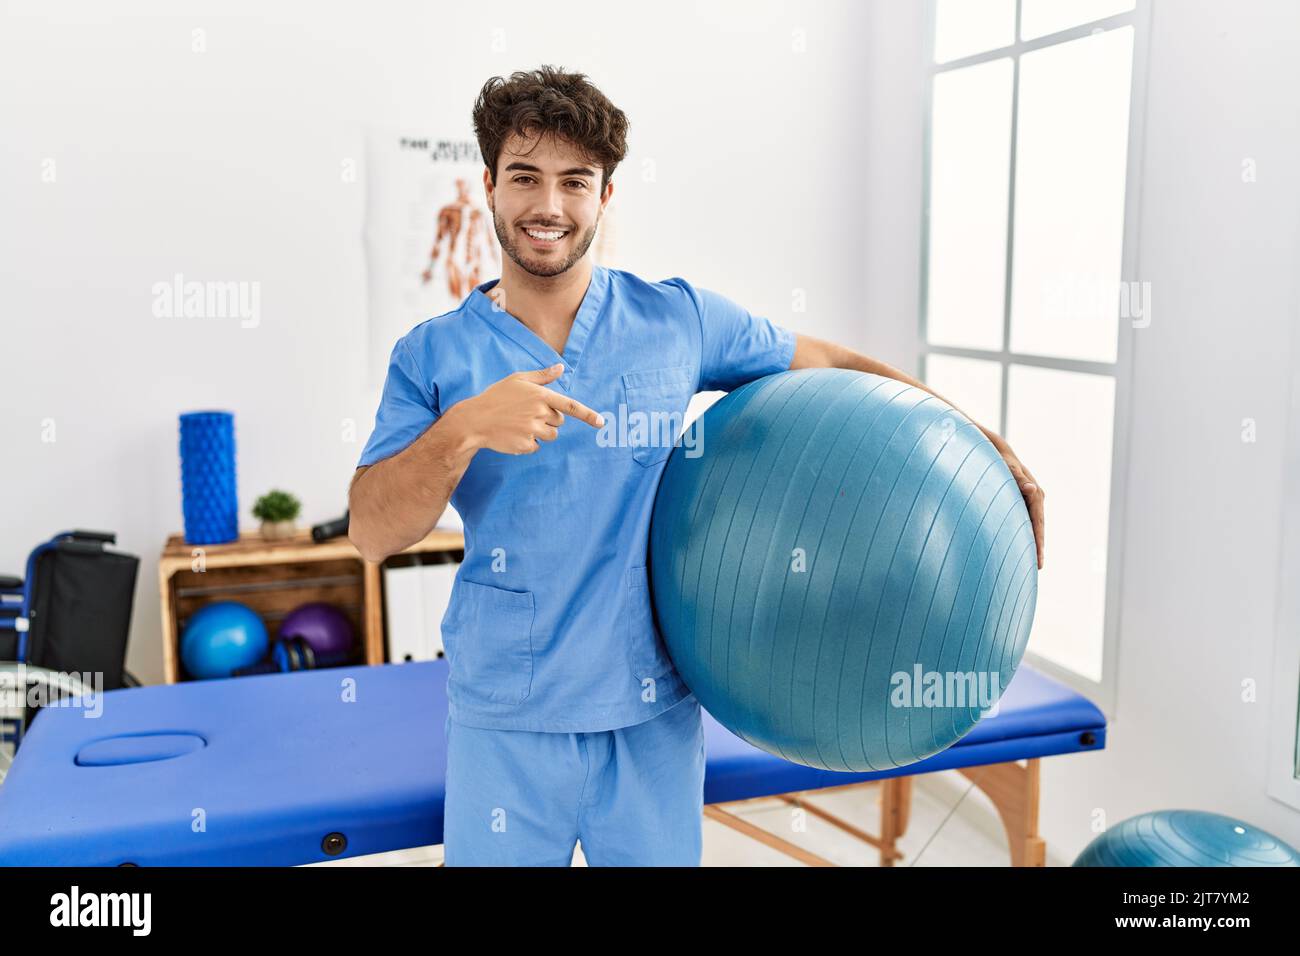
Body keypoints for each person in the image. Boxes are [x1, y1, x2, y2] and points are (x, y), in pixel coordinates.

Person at [349, 65, 1046, 867]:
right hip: (506, 716)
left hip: (650, 712)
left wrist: (980, 438)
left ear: (604, 197)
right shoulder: (433, 355)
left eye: (575, 181)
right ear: (490, 188)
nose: (548, 205)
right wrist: (463, 430)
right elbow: (372, 531)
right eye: (525, 178)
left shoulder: (674, 319)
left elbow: (827, 362)